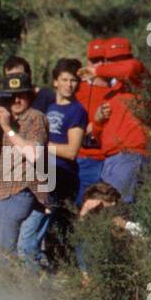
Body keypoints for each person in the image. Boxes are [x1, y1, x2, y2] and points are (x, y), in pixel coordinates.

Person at [0, 72, 51, 268]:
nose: (17, 100)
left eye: (22, 95)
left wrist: (8, 128)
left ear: (30, 96)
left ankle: (9, 291)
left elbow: (34, 154)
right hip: (3, 191)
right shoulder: (5, 120)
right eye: (12, 96)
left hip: (22, 190)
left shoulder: (35, 117)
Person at [45, 58, 88, 206]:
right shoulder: (49, 107)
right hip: (42, 169)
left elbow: (72, 151)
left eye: (73, 80)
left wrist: (41, 146)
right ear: (55, 82)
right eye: (64, 79)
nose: (69, 85)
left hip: (61, 172)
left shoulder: (77, 110)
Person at [74, 39, 110, 204]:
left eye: (103, 60)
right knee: (79, 205)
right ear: (87, 62)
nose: (99, 65)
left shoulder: (118, 89)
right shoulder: (76, 88)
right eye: (94, 61)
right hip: (83, 158)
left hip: (110, 160)